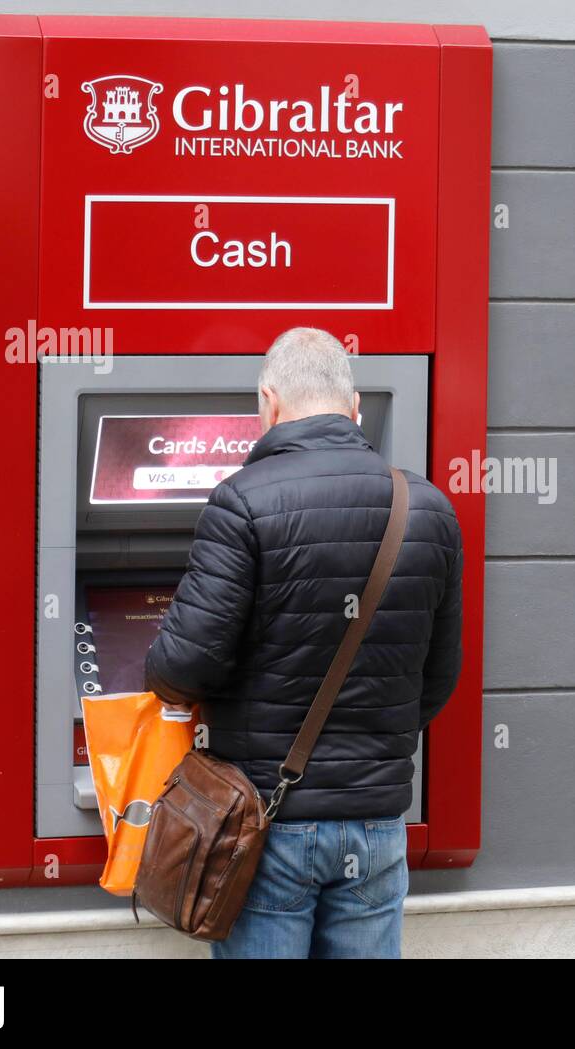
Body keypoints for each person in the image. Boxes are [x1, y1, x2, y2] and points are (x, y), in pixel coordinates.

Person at [144, 327, 463, 959]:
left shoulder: (243, 501)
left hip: (266, 824)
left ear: (268, 401)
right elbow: (438, 677)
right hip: (376, 826)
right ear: (355, 408)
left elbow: (184, 662)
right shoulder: (427, 508)